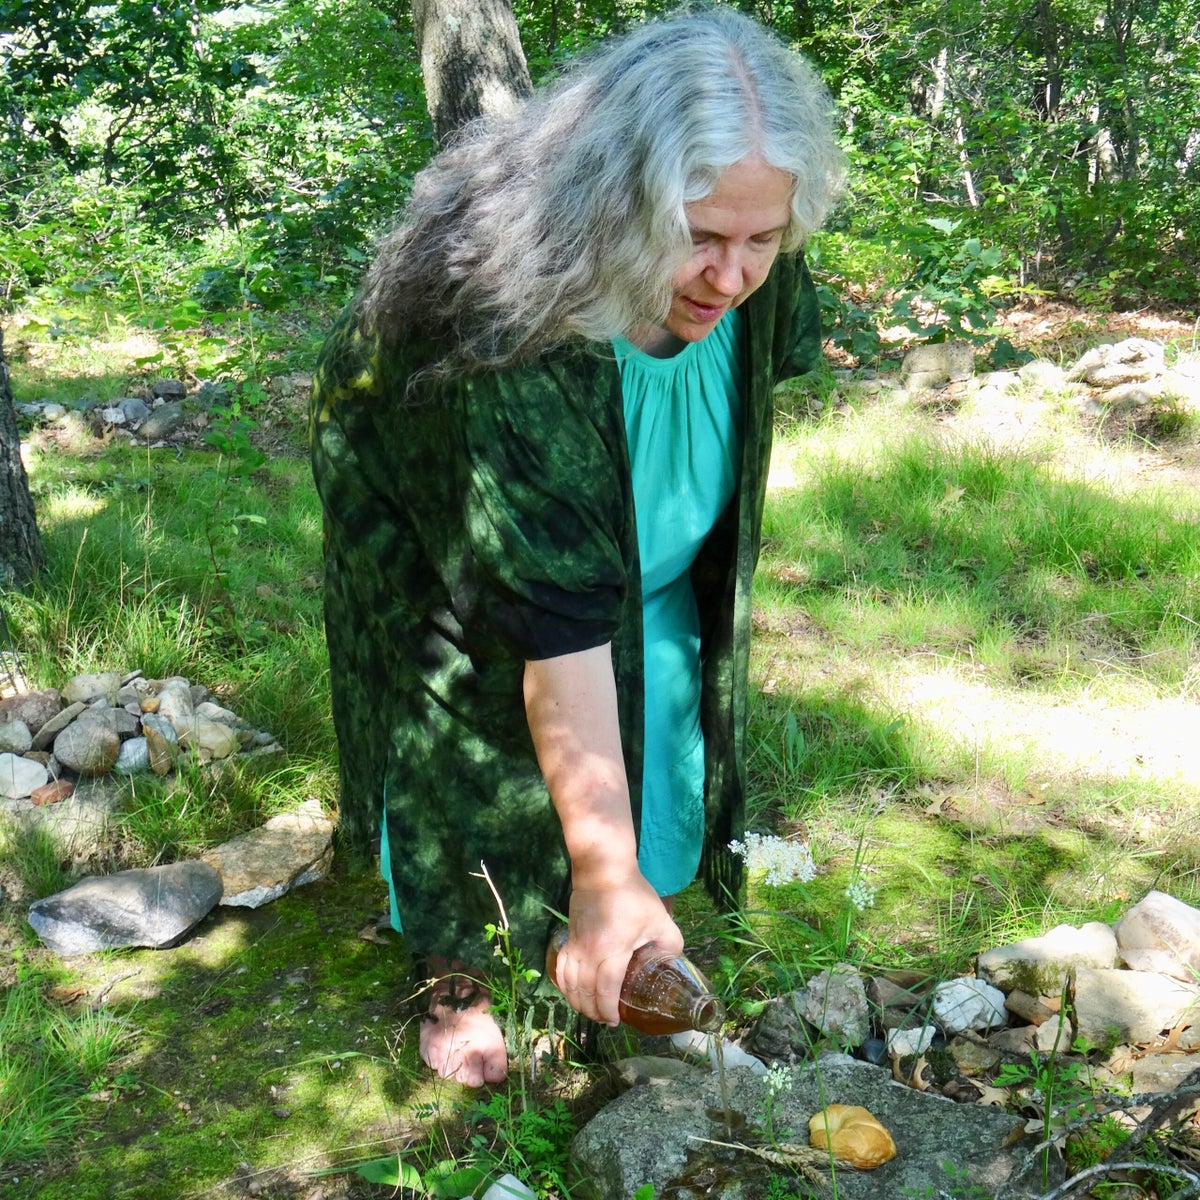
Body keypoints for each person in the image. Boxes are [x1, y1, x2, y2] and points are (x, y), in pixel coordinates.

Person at [310, 4, 843, 1087]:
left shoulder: (747, 255)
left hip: (618, 549)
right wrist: (603, 868)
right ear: (622, 197)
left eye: (762, 239)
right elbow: (549, 619)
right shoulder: (509, 309)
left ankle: (605, 929)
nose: (732, 276)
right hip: (445, 538)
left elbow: (757, 344)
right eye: (697, 236)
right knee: (466, 728)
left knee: (657, 691)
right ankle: (453, 972)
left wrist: (613, 873)